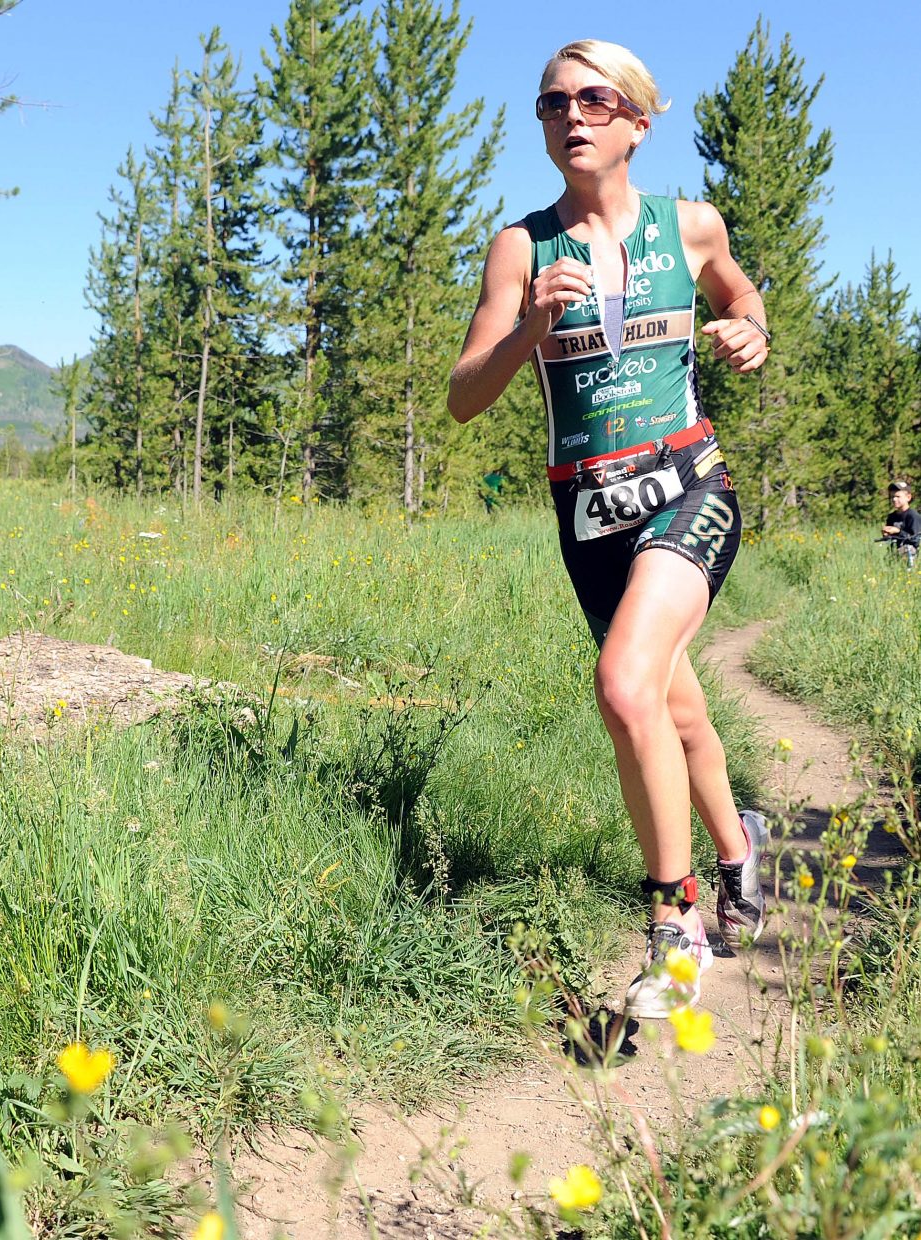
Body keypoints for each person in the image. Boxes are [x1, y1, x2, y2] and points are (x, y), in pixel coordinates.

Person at [448, 39, 771, 1019]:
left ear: (637, 119)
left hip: (688, 486)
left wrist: (749, 327)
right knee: (673, 711)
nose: (570, 118)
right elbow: (464, 397)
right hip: (588, 516)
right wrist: (527, 331)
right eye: (552, 104)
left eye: (593, 100)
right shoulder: (522, 247)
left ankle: (676, 929)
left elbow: (739, 292)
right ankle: (740, 855)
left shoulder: (691, 225)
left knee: (625, 685)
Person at [880, 481, 919, 569]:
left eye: (898, 496)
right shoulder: (891, 516)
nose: (894, 499)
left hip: (910, 554)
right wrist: (886, 534)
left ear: (908, 497)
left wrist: (898, 531)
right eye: (892, 497)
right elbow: (890, 538)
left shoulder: (913, 516)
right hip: (894, 553)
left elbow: (916, 539)